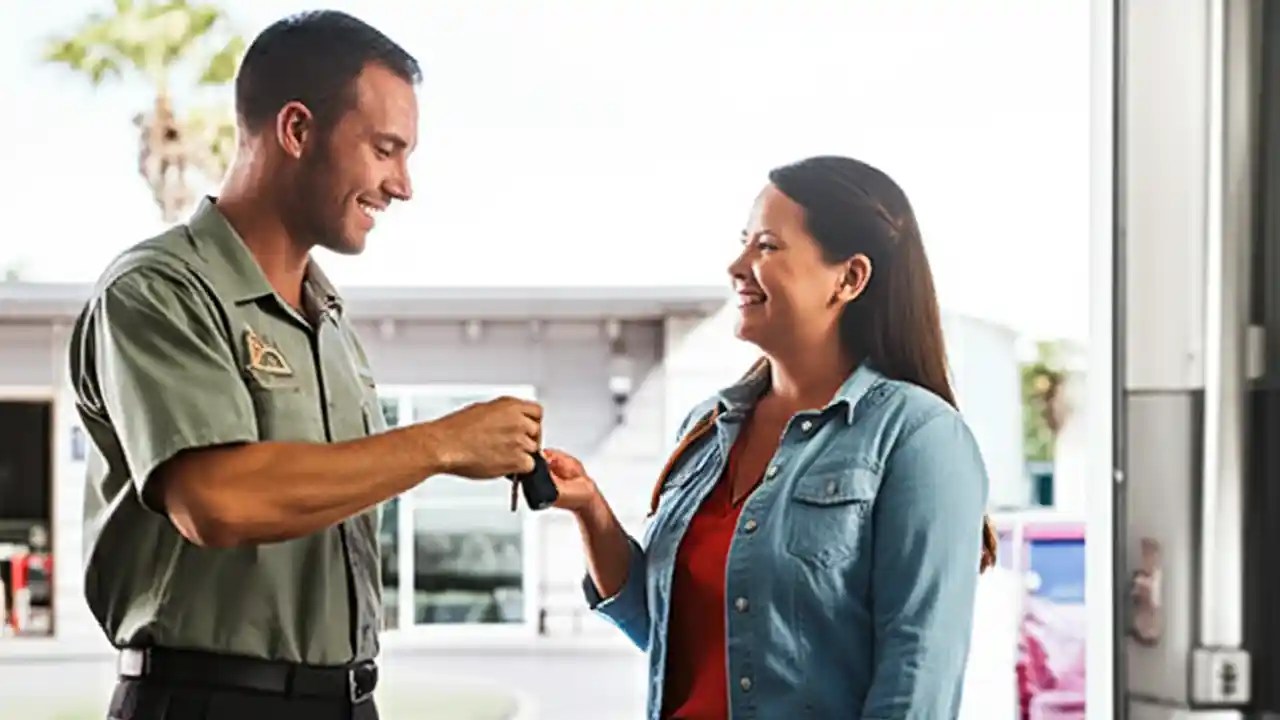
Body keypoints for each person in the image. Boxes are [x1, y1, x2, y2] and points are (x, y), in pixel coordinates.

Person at [69, 11, 542, 720]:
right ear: (296, 131)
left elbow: (325, 492)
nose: (403, 184)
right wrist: (443, 442)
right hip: (207, 703)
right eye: (385, 150)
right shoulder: (158, 290)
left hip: (347, 701)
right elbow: (216, 500)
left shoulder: (330, 319)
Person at [543, 155, 998, 719]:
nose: (737, 266)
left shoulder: (920, 437)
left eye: (766, 246)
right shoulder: (707, 428)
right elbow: (661, 630)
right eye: (743, 243)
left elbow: (918, 679)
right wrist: (589, 508)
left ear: (849, 278)